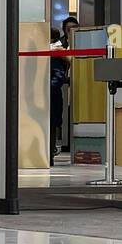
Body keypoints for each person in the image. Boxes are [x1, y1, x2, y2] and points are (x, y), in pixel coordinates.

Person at [49, 29, 70, 161]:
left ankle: (50, 152)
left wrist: (50, 87)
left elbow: (58, 74)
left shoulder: (55, 51)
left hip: (51, 93)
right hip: (48, 93)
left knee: (51, 123)